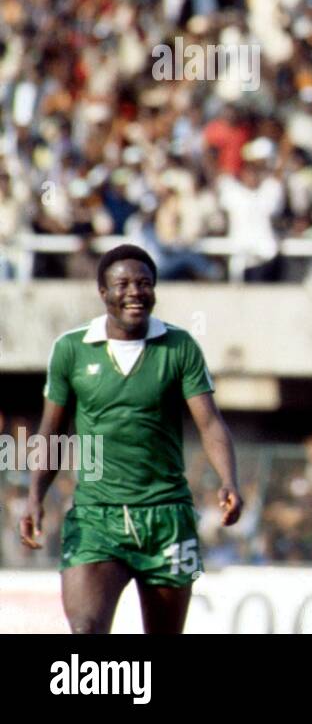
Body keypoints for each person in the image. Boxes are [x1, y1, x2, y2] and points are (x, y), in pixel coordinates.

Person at [19, 244, 244, 633]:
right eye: (122, 284)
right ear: (103, 292)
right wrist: (35, 495)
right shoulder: (71, 349)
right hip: (95, 518)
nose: (134, 292)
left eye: (144, 283)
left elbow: (209, 424)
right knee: (86, 630)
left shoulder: (180, 347)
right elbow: (51, 432)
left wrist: (229, 480)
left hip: (166, 518)